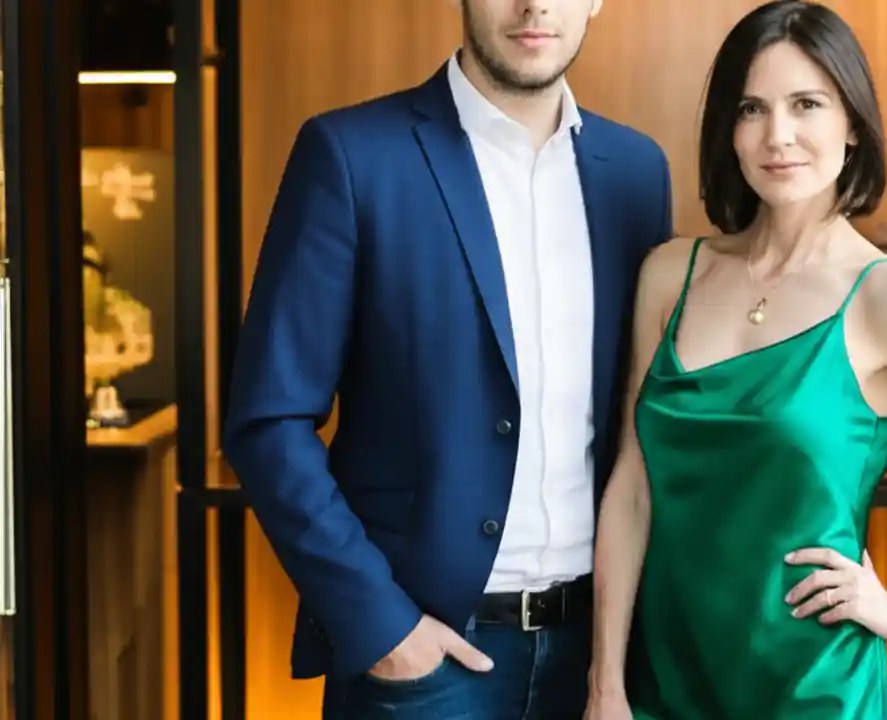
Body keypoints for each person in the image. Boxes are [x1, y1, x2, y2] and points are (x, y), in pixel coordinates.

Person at [584, 2, 887, 718]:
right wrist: (606, 683)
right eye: (752, 108)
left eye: (806, 105)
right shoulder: (670, 273)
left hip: (811, 686)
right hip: (662, 675)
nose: (777, 135)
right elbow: (633, 488)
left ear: (852, 125)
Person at [222, 0, 673, 716]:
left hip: (595, 661)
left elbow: (641, 421)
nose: (534, 6)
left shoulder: (637, 174)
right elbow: (267, 421)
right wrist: (381, 626)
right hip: (423, 664)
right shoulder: (352, 155)